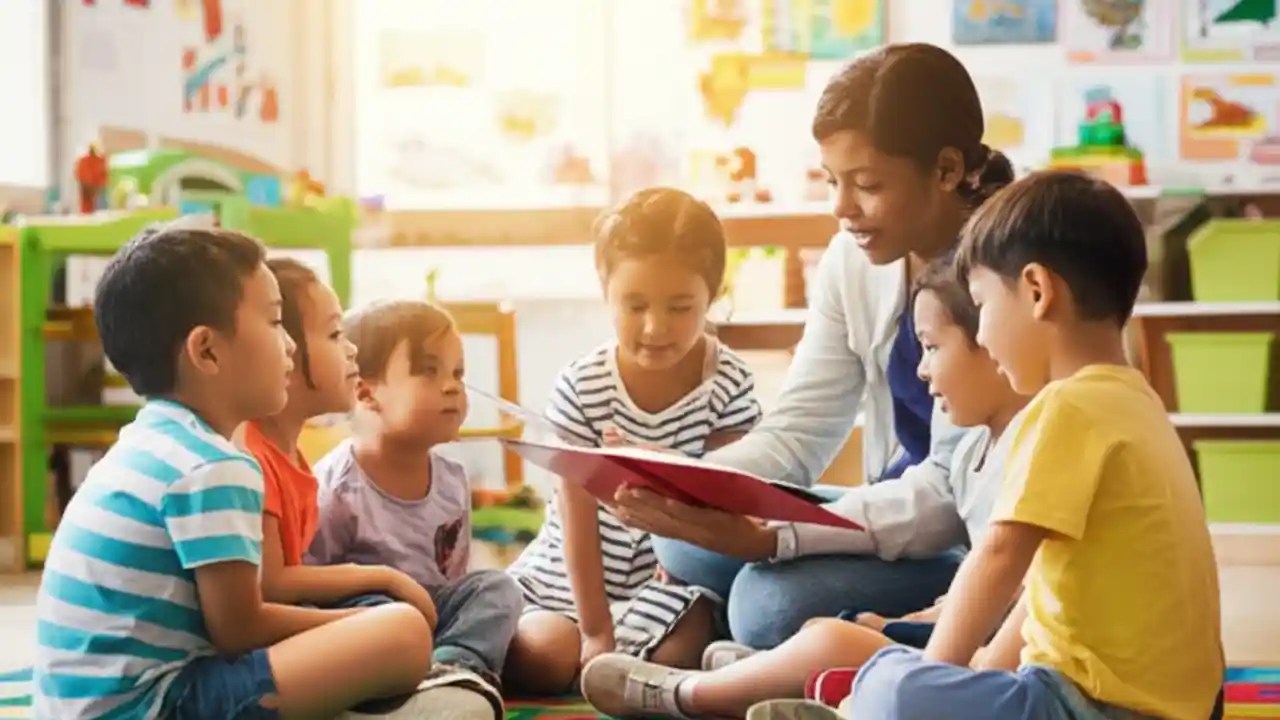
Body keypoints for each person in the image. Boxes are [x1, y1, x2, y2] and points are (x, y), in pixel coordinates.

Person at [614, 42, 1017, 650]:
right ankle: (782, 640)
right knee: (681, 539)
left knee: (767, 604)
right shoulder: (854, 261)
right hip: (891, 508)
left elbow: (945, 499)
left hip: (967, 538)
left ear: (946, 170)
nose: (841, 208)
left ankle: (788, 638)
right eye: (832, 181)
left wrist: (774, 538)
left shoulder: (1000, 278)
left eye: (867, 184)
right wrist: (689, 482)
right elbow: (798, 432)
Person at [579, 255, 1029, 719]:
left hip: (991, 640)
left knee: (804, 625)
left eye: (931, 348)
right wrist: (694, 483)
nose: (921, 370)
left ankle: (687, 694)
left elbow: (1012, 576)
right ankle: (789, 679)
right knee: (701, 555)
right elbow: (799, 435)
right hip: (961, 614)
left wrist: (935, 667)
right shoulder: (976, 441)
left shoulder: (1036, 441)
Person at [845, 172, 1225, 720]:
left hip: (1091, 706)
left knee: (890, 683)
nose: (983, 334)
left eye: (981, 304)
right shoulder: (1136, 402)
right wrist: (975, 674)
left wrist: (930, 679)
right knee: (902, 681)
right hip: (1179, 706)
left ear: (1037, 291)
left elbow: (999, 556)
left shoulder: (1065, 407)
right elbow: (1037, 601)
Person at [33, 225, 434, 719]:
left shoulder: (152, 440)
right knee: (401, 631)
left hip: (87, 706)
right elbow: (240, 630)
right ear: (207, 350)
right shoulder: (214, 465)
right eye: (275, 322)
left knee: (372, 622)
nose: (290, 346)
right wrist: (356, 624)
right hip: (155, 706)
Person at [503, 187, 763, 695]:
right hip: (571, 579)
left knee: (680, 651)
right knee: (544, 657)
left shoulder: (729, 383)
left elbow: (727, 498)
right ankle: (596, 665)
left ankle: (623, 674)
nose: (654, 327)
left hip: (667, 583)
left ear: (712, 295)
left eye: (680, 307)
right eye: (635, 304)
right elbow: (576, 517)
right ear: (606, 291)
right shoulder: (581, 385)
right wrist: (594, 630)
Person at [306, 300, 524, 699]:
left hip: (433, 612)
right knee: (376, 611)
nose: (452, 386)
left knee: (497, 588)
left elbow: (452, 576)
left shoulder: (452, 480)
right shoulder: (336, 488)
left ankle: (455, 668)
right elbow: (309, 589)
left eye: (458, 373)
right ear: (366, 393)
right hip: (370, 622)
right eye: (428, 370)